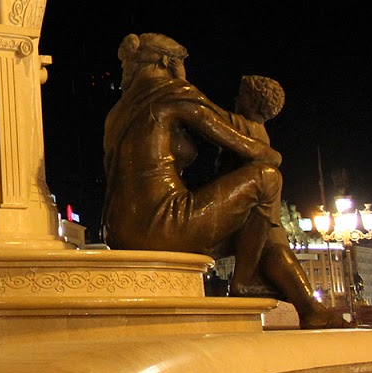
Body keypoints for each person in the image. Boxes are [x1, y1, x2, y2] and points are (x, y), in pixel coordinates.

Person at [102, 33, 346, 328]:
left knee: (257, 227)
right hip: (161, 223)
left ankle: (308, 307)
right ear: (170, 62)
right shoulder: (171, 90)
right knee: (267, 180)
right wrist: (271, 151)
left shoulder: (120, 110)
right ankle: (245, 283)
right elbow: (246, 146)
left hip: (119, 229)